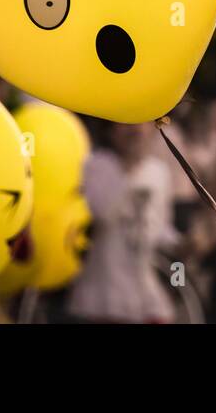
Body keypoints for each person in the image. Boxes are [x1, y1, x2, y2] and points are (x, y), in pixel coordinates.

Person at [66, 121, 179, 323]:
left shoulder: (159, 171)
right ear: (110, 131)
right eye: (126, 124)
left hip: (145, 296)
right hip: (104, 294)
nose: (135, 131)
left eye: (141, 124)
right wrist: (129, 168)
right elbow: (102, 212)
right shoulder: (96, 164)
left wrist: (185, 244)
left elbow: (160, 229)